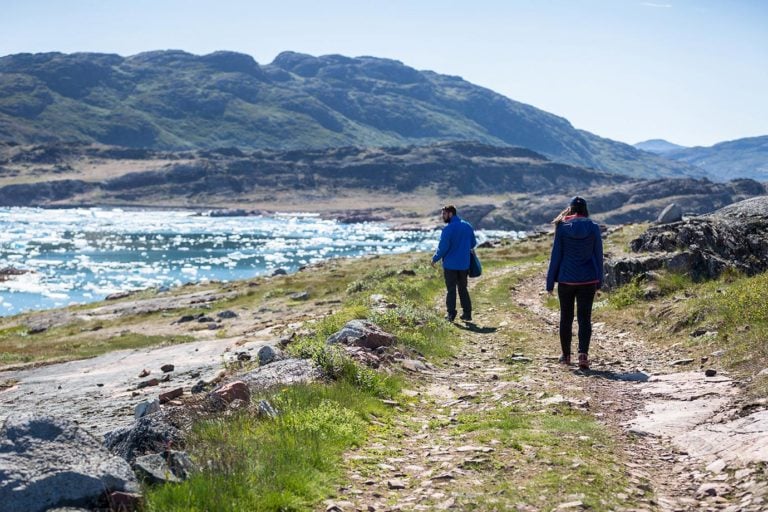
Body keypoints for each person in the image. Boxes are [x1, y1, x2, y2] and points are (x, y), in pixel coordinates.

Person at [546, 196, 604, 370]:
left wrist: (550, 283)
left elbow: (555, 256)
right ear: (585, 210)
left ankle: (566, 356)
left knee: (566, 317)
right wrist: (599, 281)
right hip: (588, 280)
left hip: (566, 280)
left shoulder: (562, 228)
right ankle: (583, 355)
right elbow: (598, 256)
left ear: (570, 209)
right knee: (585, 318)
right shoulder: (593, 227)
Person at [431, 205, 477, 322]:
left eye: (444, 214)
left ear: (451, 214)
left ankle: (451, 315)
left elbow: (443, 248)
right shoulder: (467, 226)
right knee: (463, 288)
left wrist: (435, 258)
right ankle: (467, 314)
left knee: (451, 289)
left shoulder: (448, 229)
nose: (443, 216)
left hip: (450, 265)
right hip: (464, 265)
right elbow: (473, 243)